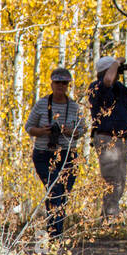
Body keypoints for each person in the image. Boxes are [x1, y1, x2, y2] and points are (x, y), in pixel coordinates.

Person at [25, 68, 86, 242]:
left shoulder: (74, 107)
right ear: (51, 84)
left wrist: (70, 131)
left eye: (64, 83)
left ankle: (55, 234)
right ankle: (54, 235)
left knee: (62, 194)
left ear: (68, 85)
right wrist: (43, 131)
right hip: (44, 154)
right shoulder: (42, 104)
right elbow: (29, 127)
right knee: (54, 190)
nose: (61, 86)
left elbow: (82, 129)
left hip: (68, 155)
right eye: (57, 82)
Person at [88, 54, 127, 220]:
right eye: (115, 69)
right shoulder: (98, 86)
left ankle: (109, 215)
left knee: (120, 180)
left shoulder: (118, 87)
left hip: (121, 140)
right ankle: (110, 218)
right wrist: (117, 62)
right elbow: (107, 81)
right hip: (106, 138)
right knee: (112, 180)